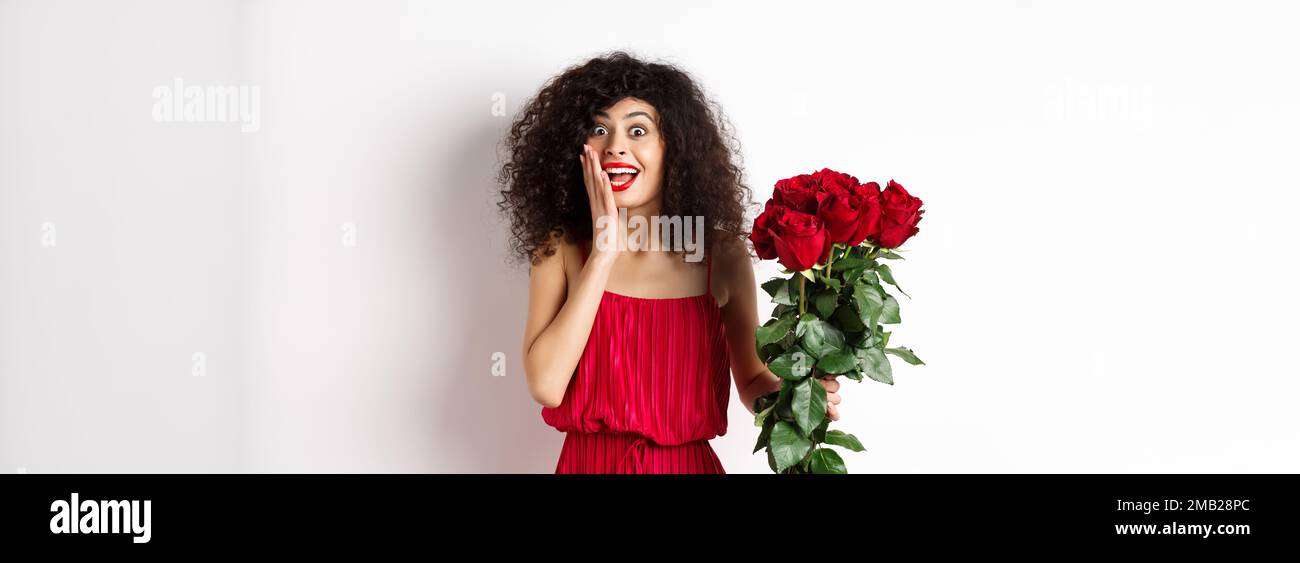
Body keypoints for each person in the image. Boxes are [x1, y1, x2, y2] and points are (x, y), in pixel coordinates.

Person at [498, 52, 842, 473]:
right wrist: (604, 252)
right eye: (599, 129)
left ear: (673, 147)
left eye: (637, 130)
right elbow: (547, 386)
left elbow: (751, 381)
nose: (615, 147)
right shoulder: (560, 250)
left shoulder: (721, 255)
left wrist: (797, 398)